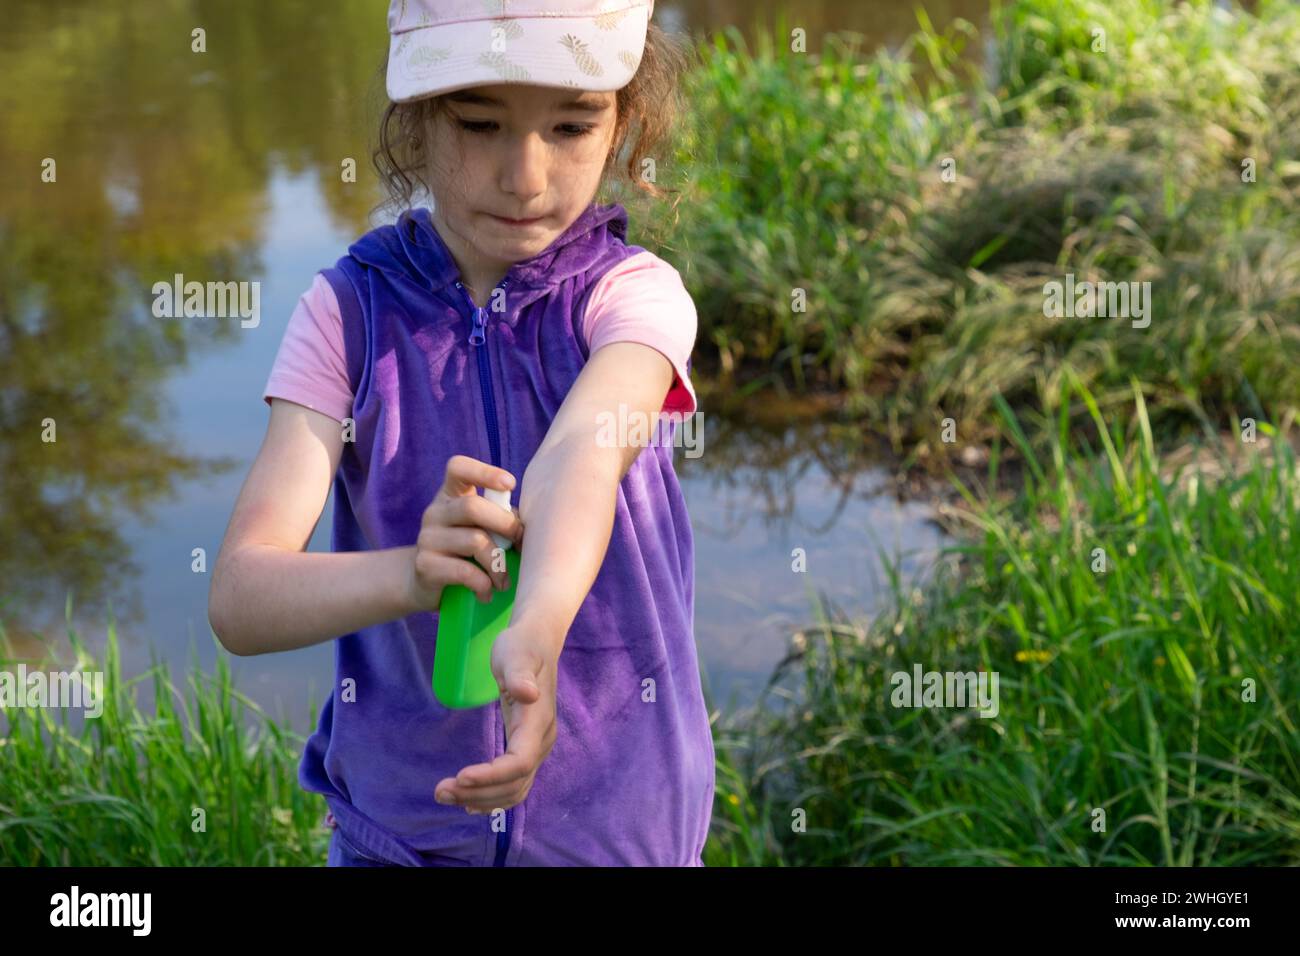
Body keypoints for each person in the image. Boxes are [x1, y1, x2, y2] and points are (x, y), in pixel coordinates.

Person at [208, 0, 716, 866]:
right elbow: (241, 600)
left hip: (616, 831)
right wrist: (411, 573)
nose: (525, 175)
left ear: (623, 124)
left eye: (572, 125)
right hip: (399, 838)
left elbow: (581, 462)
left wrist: (536, 633)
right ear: (415, 119)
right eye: (480, 123)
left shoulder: (636, 299)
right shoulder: (345, 315)